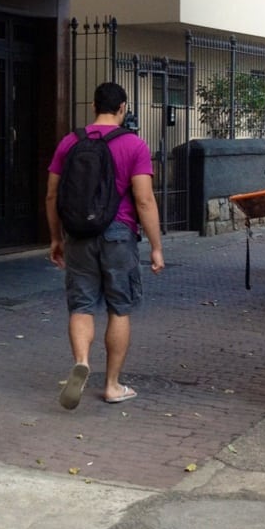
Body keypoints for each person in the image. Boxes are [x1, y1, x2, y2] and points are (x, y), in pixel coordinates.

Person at [45, 81, 165, 409]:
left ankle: (82, 361)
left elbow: (53, 194)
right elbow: (143, 200)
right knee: (119, 307)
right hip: (118, 234)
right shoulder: (134, 145)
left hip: (78, 234)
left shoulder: (70, 142)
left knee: (82, 305)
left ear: (94, 106)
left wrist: (56, 238)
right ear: (123, 108)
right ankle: (112, 385)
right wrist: (156, 246)